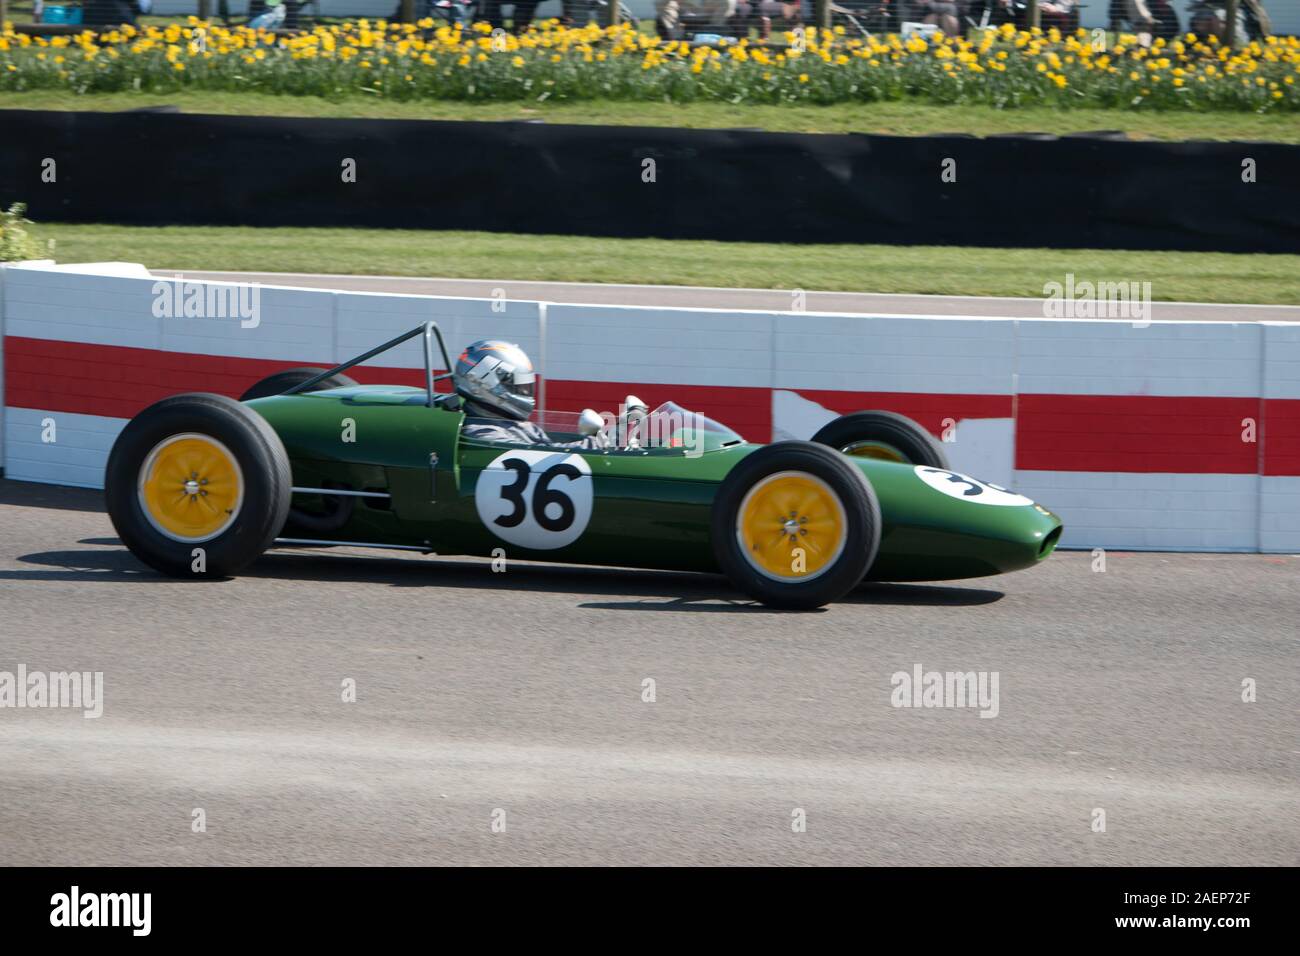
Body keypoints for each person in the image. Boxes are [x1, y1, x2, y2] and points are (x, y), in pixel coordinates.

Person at [455, 339, 611, 449]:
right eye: (518, 385)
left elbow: (546, 446)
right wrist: (599, 443)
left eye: (525, 384)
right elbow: (540, 454)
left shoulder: (509, 423)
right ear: (482, 383)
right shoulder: (483, 434)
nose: (525, 391)